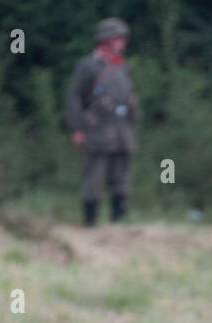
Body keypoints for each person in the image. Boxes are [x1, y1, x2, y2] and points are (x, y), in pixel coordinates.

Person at [65, 17, 137, 228]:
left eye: (123, 38)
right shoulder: (88, 66)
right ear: (105, 40)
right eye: (118, 38)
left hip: (122, 132)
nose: (122, 42)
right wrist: (77, 129)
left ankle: (118, 223)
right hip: (97, 131)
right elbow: (75, 97)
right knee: (94, 179)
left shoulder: (123, 67)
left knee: (121, 179)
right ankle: (91, 224)